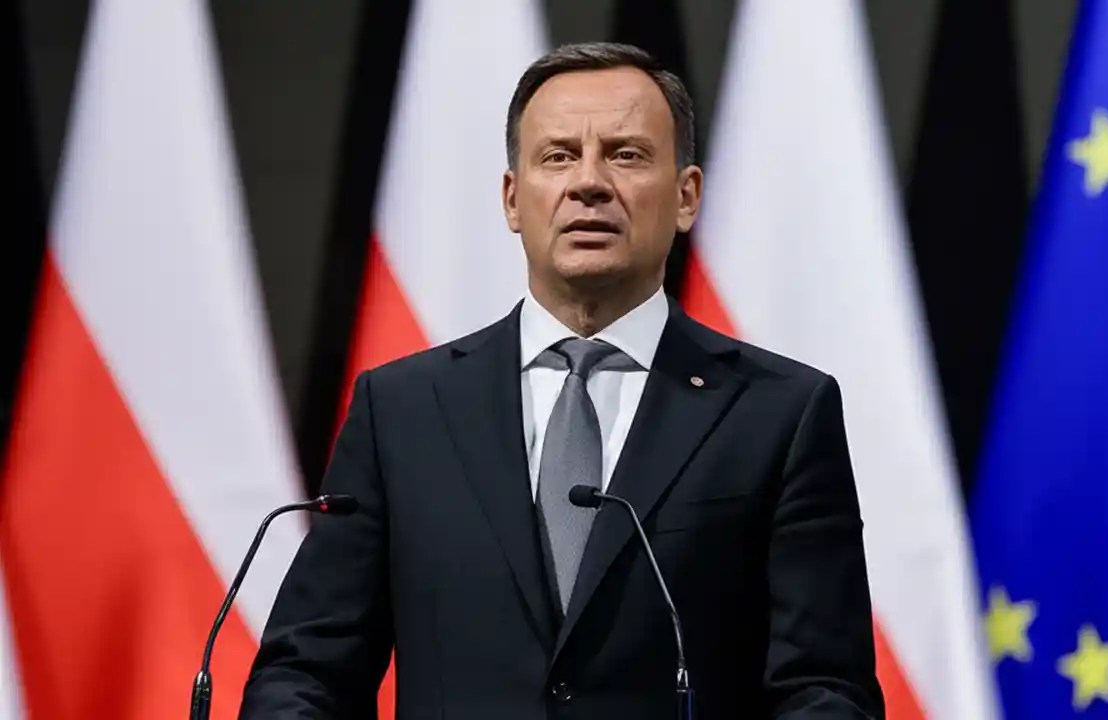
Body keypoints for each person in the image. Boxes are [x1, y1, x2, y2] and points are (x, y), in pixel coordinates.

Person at [240, 41, 885, 719]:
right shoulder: (403, 410)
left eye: (627, 154)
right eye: (558, 156)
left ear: (687, 195)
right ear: (514, 199)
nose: (589, 182)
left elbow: (824, 689)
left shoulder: (778, 413)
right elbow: (306, 670)